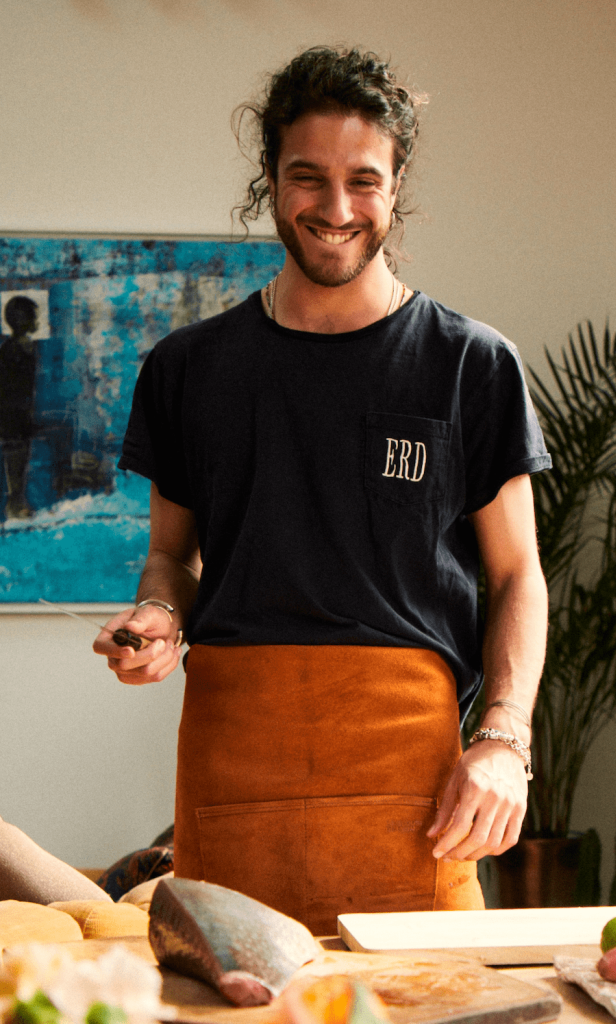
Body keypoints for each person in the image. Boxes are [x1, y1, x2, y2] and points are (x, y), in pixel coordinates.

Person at [94, 46, 550, 934]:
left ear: (396, 182)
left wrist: (503, 739)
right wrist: (157, 618)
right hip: (233, 772)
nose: (336, 210)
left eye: (363, 180)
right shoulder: (190, 369)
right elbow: (170, 558)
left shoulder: (470, 365)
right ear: (270, 178)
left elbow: (519, 577)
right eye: (308, 177)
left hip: (415, 788)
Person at [0, 296, 38, 519]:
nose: (37, 322)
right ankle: (15, 504)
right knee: (15, 460)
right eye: (34, 317)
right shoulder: (12, 350)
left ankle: (17, 502)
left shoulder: (20, 348)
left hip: (19, 414)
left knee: (19, 459)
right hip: (12, 415)